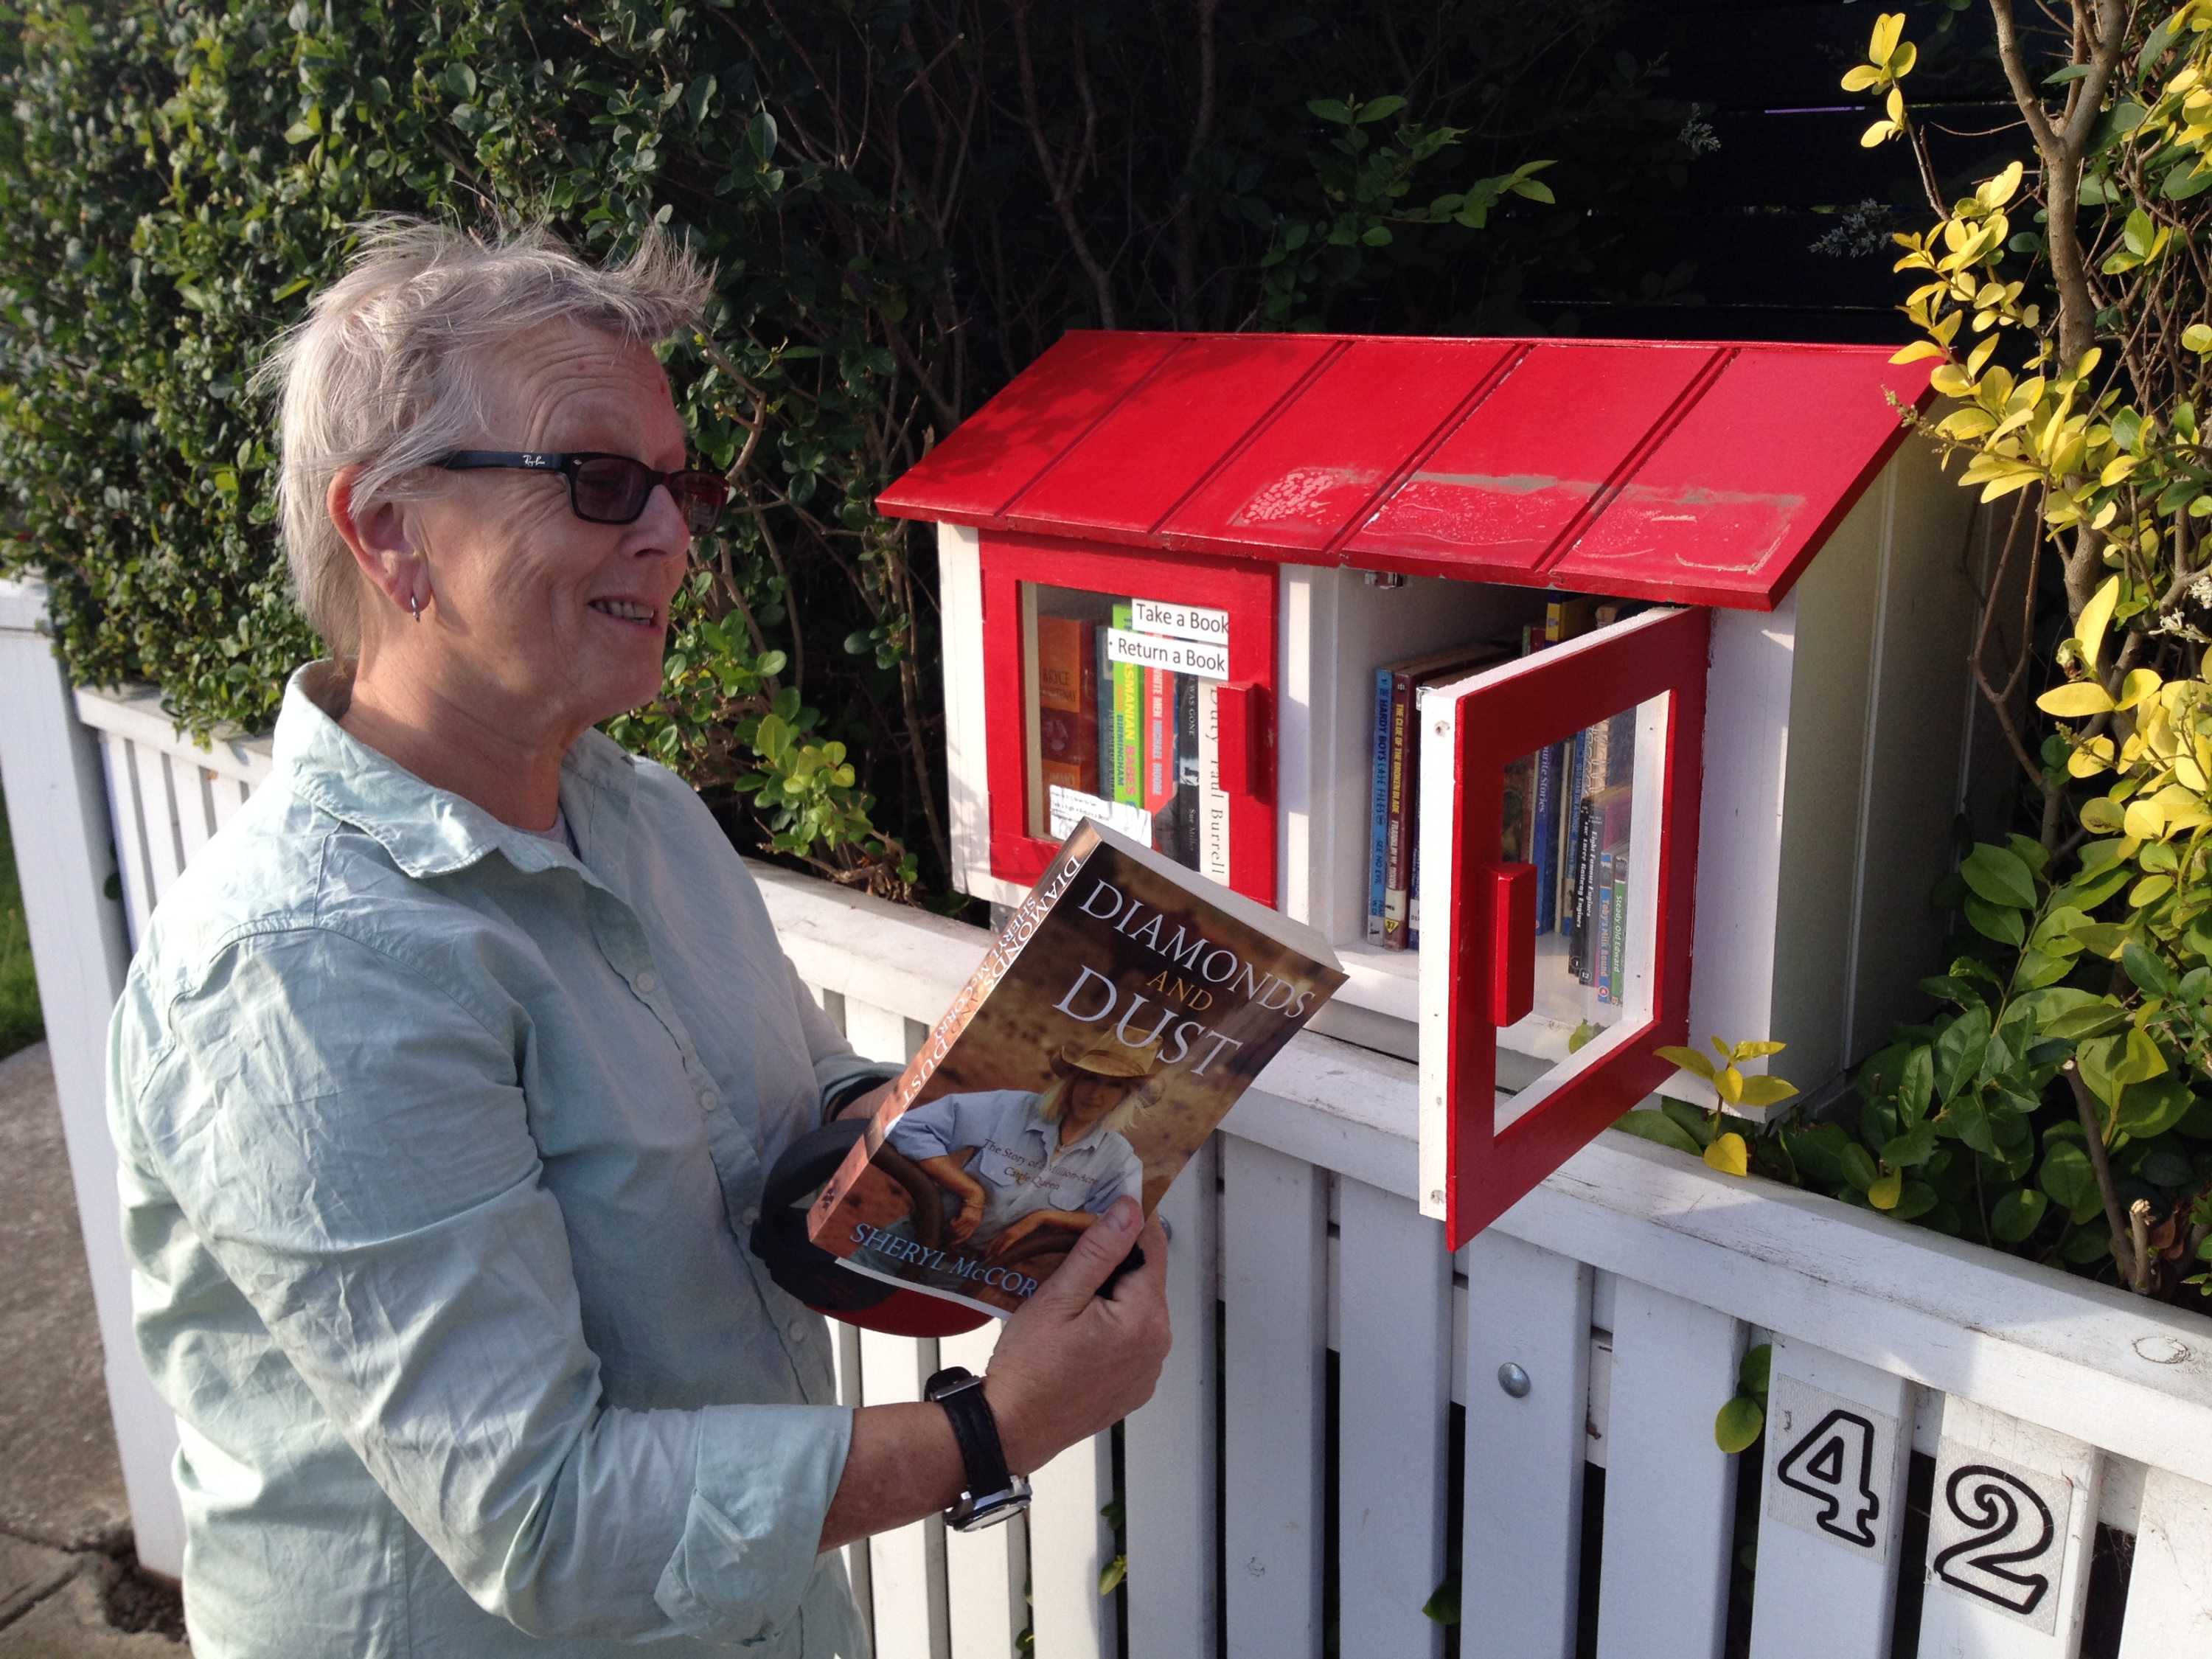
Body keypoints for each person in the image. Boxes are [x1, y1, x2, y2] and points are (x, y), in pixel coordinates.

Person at [102, 218, 1170, 1659]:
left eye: (682, 485)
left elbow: (794, 1116)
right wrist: (993, 1429)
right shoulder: (304, 968)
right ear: (390, 531)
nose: (670, 536)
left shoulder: (642, 811)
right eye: (600, 482)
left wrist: (975, 1168)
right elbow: (546, 1522)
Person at [884, 1037, 1152, 1262]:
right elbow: (909, 1127)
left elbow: (1123, 1220)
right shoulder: (1012, 1108)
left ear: (1126, 1096)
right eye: (1090, 1079)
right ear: (1072, 1081)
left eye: (1113, 1085)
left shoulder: (1118, 1157)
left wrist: (1043, 1217)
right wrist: (972, 1193)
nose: (1095, 1094)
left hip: (974, 1274)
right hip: (904, 1242)